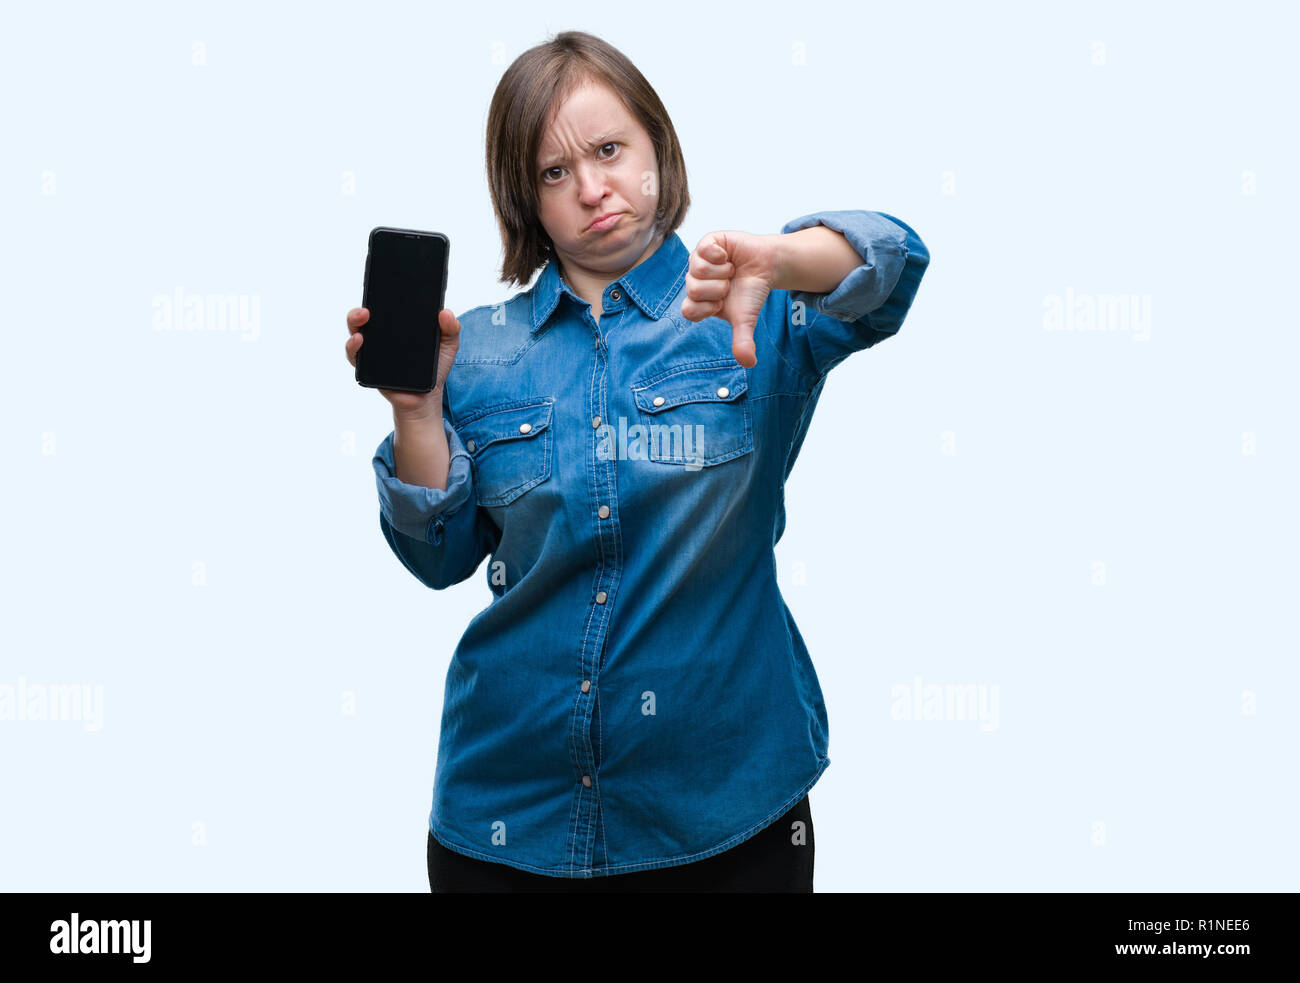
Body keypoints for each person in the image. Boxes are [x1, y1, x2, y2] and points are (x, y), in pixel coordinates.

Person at [344, 30, 929, 892]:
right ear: (526, 200)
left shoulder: (749, 305)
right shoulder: (477, 350)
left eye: (610, 149)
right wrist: (420, 409)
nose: (591, 189)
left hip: (727, 810)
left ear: (658, 145)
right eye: (553, 172)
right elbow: (438, 559)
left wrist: (784, 255)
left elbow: (896, 265)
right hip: (510, 820)